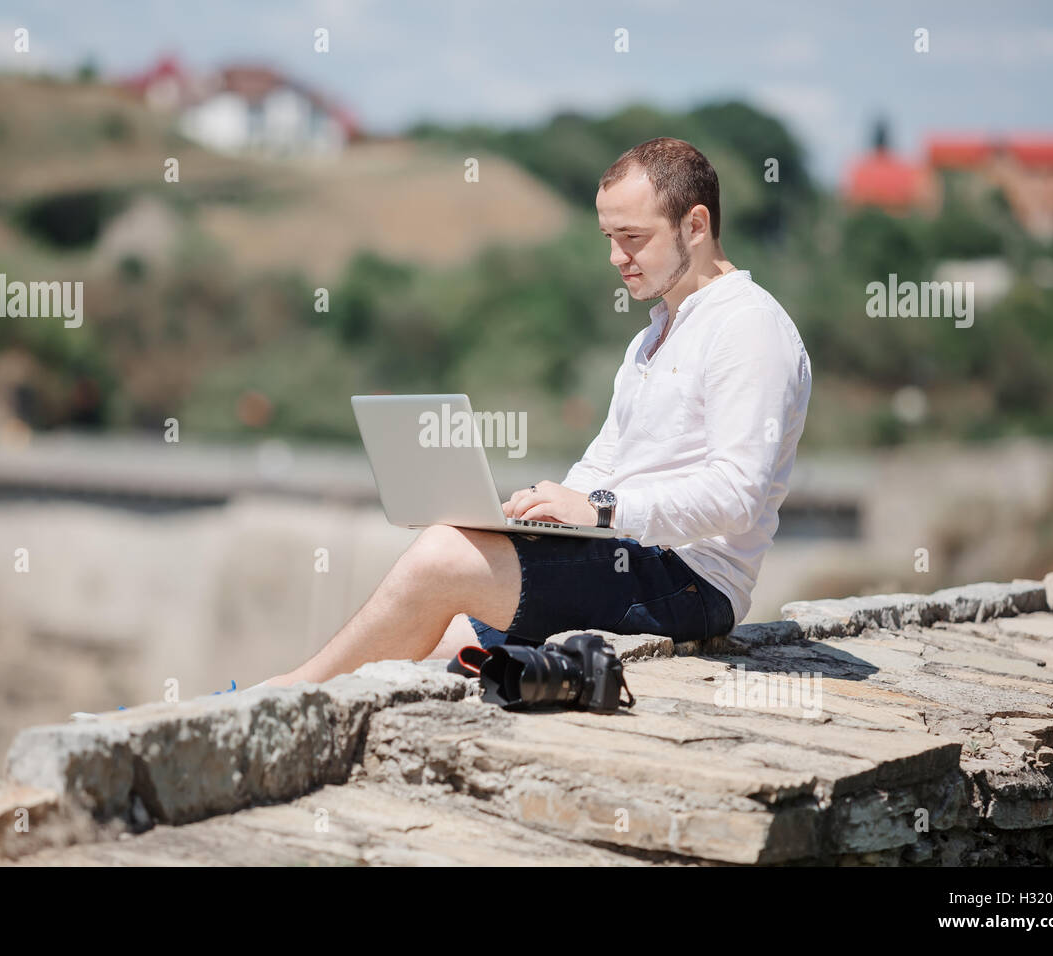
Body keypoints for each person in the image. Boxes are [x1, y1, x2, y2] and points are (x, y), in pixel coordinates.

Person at [263, 137, 810, 687]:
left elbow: (738, 496)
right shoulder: (654, 337)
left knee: (442, 557)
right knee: (440, 628)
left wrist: (597, 510)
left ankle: (279, 697)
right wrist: (538, 517)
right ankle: (303, 698)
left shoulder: (747, 327)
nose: (616, 258)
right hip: (629, 557)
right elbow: (606, 463)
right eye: (608, 237)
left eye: (632, 238)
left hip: (691, 584)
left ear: (695, 225)